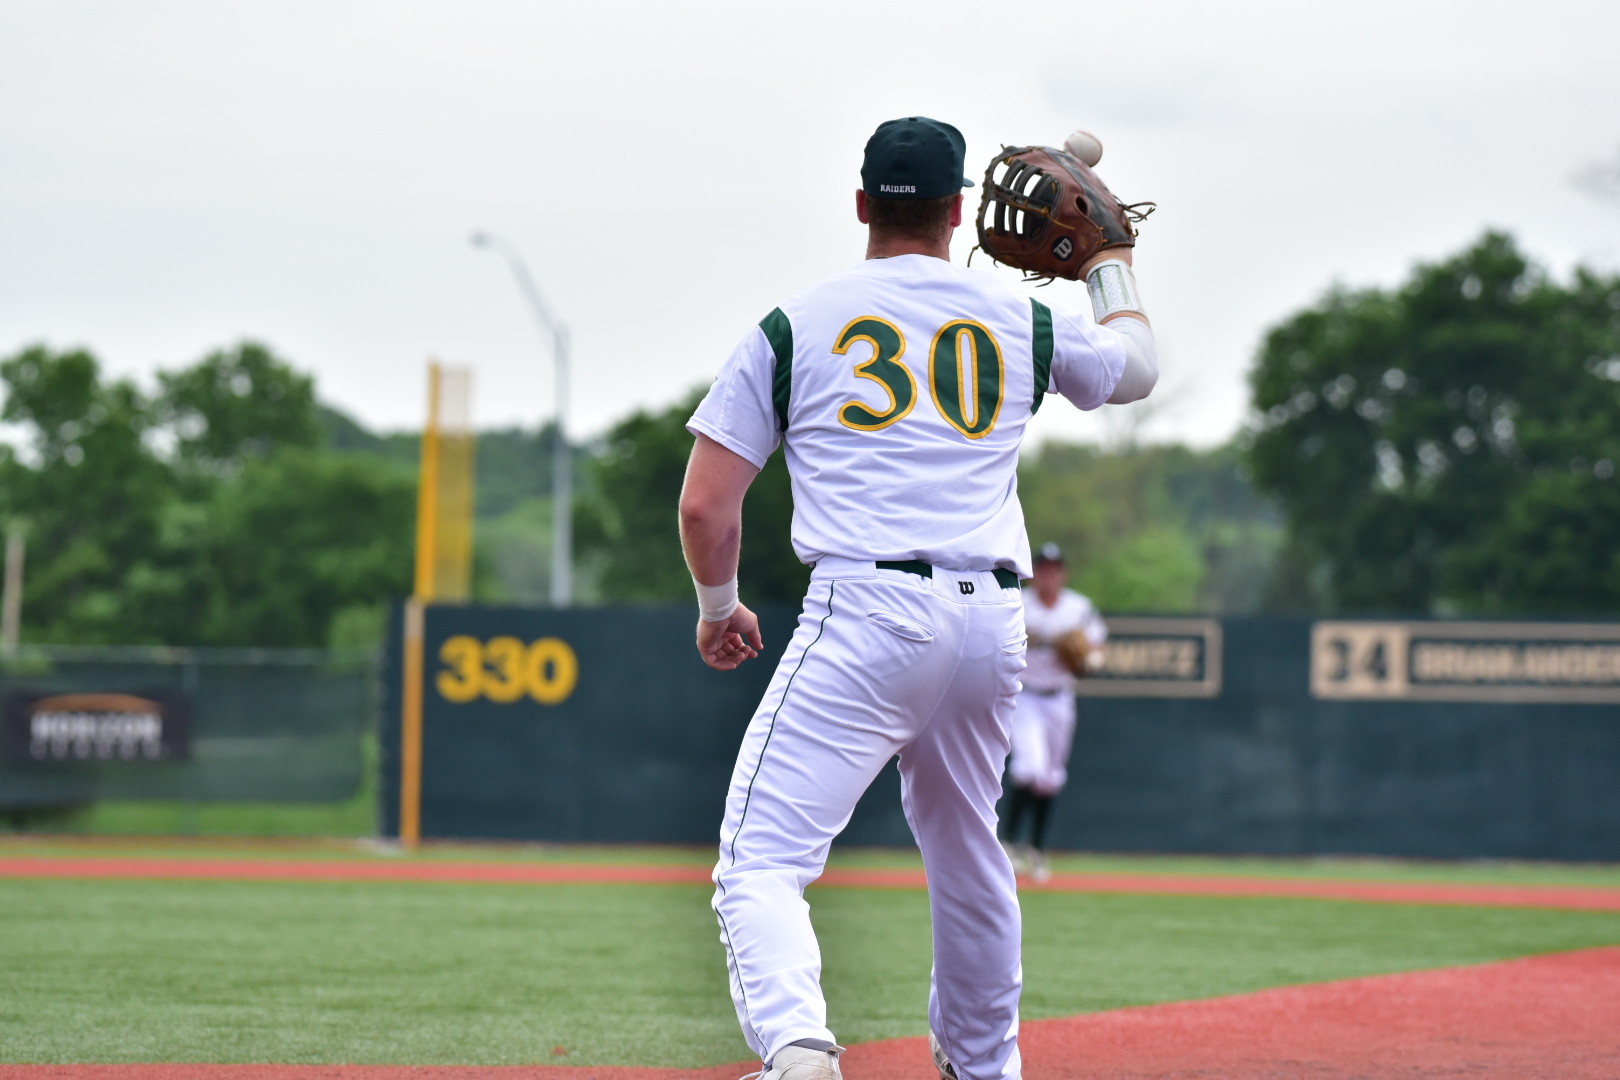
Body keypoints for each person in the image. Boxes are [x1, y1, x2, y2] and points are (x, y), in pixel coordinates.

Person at [677, 116, 1158, 1080]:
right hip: (992, 620)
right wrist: (1108, 261)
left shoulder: (795, 324)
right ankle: (984, 1067)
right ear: (958, 213)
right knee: (968, 853)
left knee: (761, 860)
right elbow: (1135, 371)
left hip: (866, 611)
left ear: (860, 205)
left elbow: (704, 504)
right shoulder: (1019, 317)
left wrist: (719, 605)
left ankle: (800, 1049)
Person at [1001, 542, 1107, 883]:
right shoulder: (1017, 603)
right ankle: (1009, 844)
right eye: (1043, 568)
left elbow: (1096, 651)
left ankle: (1036, 849)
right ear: (1035, 573)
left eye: (1054, 569)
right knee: (1028, 768)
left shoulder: (1078, 608)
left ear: (1063, 574)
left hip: (1059, 698)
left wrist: (1086, 659)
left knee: (1049, 777)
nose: (1048, 575)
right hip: (1025, 696)